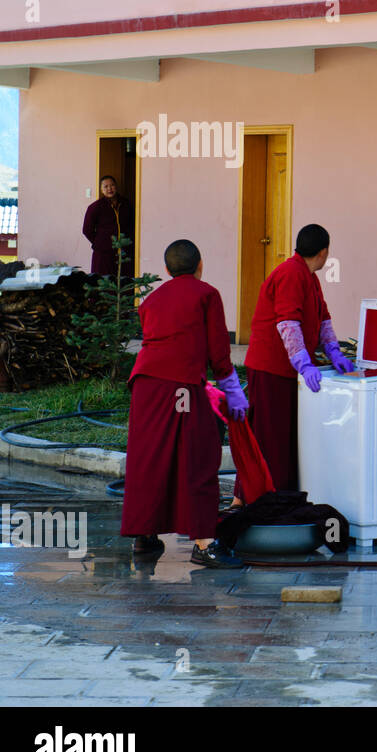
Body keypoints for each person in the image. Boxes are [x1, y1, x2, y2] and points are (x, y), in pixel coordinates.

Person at [121, 239, 248, 568]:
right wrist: (231, 389)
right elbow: (219, 349)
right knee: (198, 455)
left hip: (146, 385)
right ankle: (205, 544)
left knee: (150, 459)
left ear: (166, 270)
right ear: (200, 264)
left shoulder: (150, 300)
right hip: (181, 387)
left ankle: (144, 536)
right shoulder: (207, 294)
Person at [243, 224, 353, 495]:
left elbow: (323, 315)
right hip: (271, 367)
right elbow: (288, 323)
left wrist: (333, 350)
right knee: (271, 438)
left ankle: (273, 495)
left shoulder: (309, 275)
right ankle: (264, 497)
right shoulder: (292, 273)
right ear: (324, 251)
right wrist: (303, 363)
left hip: (286, 369)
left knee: (285, 437)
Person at [81, 175, 134, 277]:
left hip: (124, 252)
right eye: (106, 186)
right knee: (104, 284)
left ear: (116, 187)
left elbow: (132, 225)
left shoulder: (126, 204)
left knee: (123, 282)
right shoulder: (95, 207)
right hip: (103, 254)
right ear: (101, 190)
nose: (109, 189)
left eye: (112, 185)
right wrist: (101, 242)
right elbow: (87, 230)